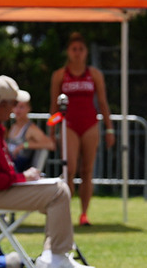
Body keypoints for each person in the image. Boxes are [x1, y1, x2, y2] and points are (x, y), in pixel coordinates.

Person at [0, 75, 94, 268]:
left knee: (57, 189)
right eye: (13, 104)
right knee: (58, 191)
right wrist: (23, 178)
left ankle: (52, 257)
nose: (14, 109)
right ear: (1, 104)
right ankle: (56, 259)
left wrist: (22, 178)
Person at [48, 32, 115, 226]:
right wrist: (52, 132)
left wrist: (109, 130)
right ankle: (66, 212)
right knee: (69, 170)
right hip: (68, 124)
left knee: (87, 170)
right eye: (74, 49)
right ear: (68, 52)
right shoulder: (60, 75)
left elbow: (103, 102)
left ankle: (84, 214)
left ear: (85, 52)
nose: (77, 53)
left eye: (81, 49)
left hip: (90, 124)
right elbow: (54, 104)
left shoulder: (94, 74)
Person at [7, 89, 54, 173]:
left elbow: (51, 144)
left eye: (21, 107)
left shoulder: (31, 129)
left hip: (18, 168)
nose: (17, 110)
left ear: (28, 108)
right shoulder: (14, 126)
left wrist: (24, 145)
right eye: (15, 106)